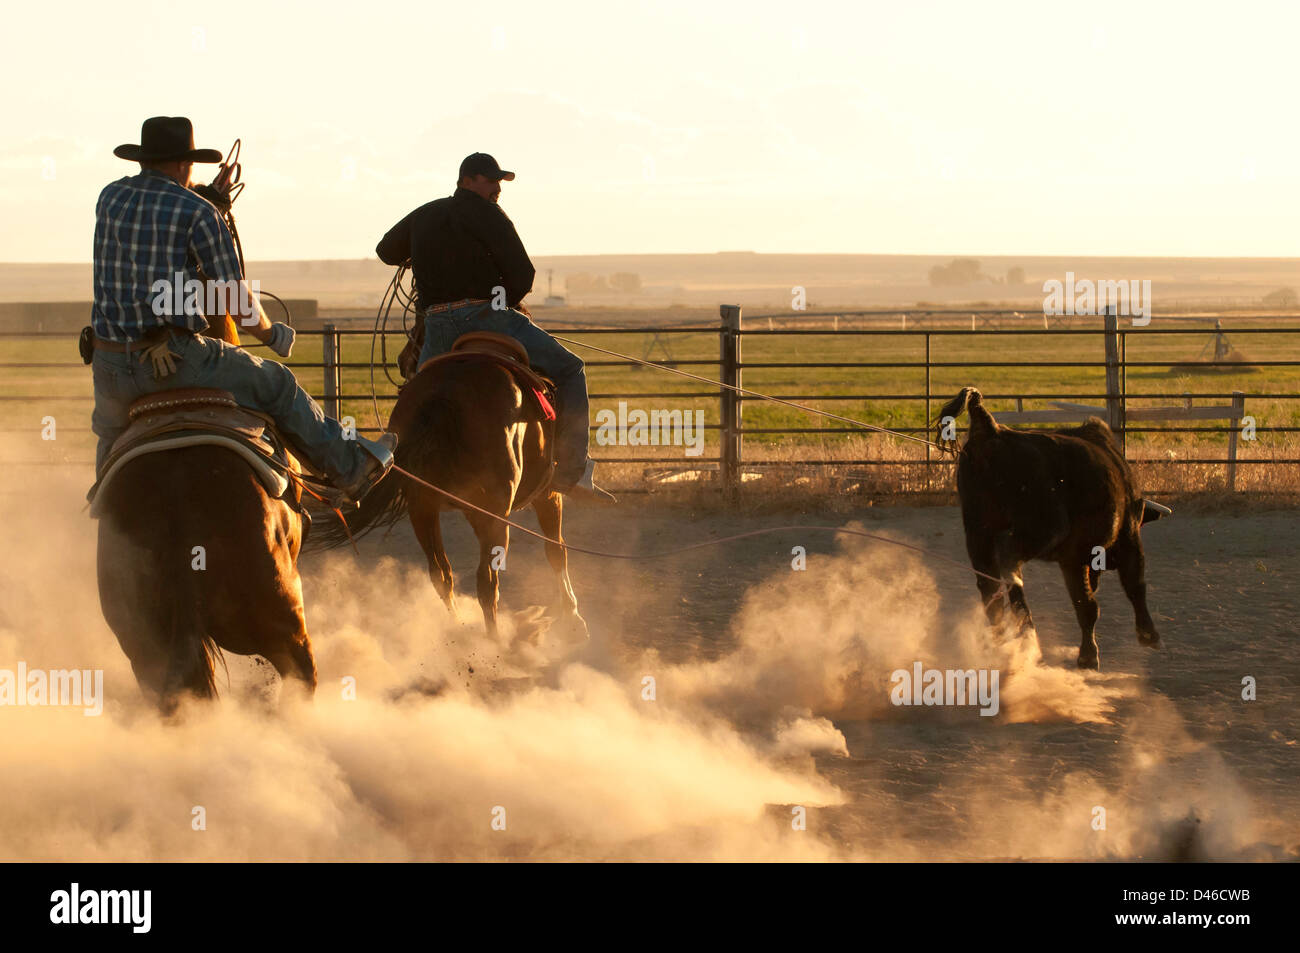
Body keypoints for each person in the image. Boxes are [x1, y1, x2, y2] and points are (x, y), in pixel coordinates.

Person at [91, 116, 394, 503]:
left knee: (109, 434)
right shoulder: (199, 213)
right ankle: (349, 469)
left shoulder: (110, 198)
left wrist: (204, 195)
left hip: (111, 366)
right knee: (278, 385)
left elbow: (154, 216)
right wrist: (273, 335)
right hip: (178, 361)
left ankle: (102, 502)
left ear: (142, 160)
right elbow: (236, 301)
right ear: (187, 163)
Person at [376, 152, 613, 502]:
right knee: (570, 369)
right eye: (490, 180)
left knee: (416, 393)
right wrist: (502, 302)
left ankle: (388, 466)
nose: (497, 187)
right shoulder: (489, 213)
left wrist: (422, 250)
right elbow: (524, 274)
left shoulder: (424, 214)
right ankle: (573, 471)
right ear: (467, 180)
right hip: (488, 315)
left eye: (499, 181)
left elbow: (385, 251)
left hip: (437, 322)